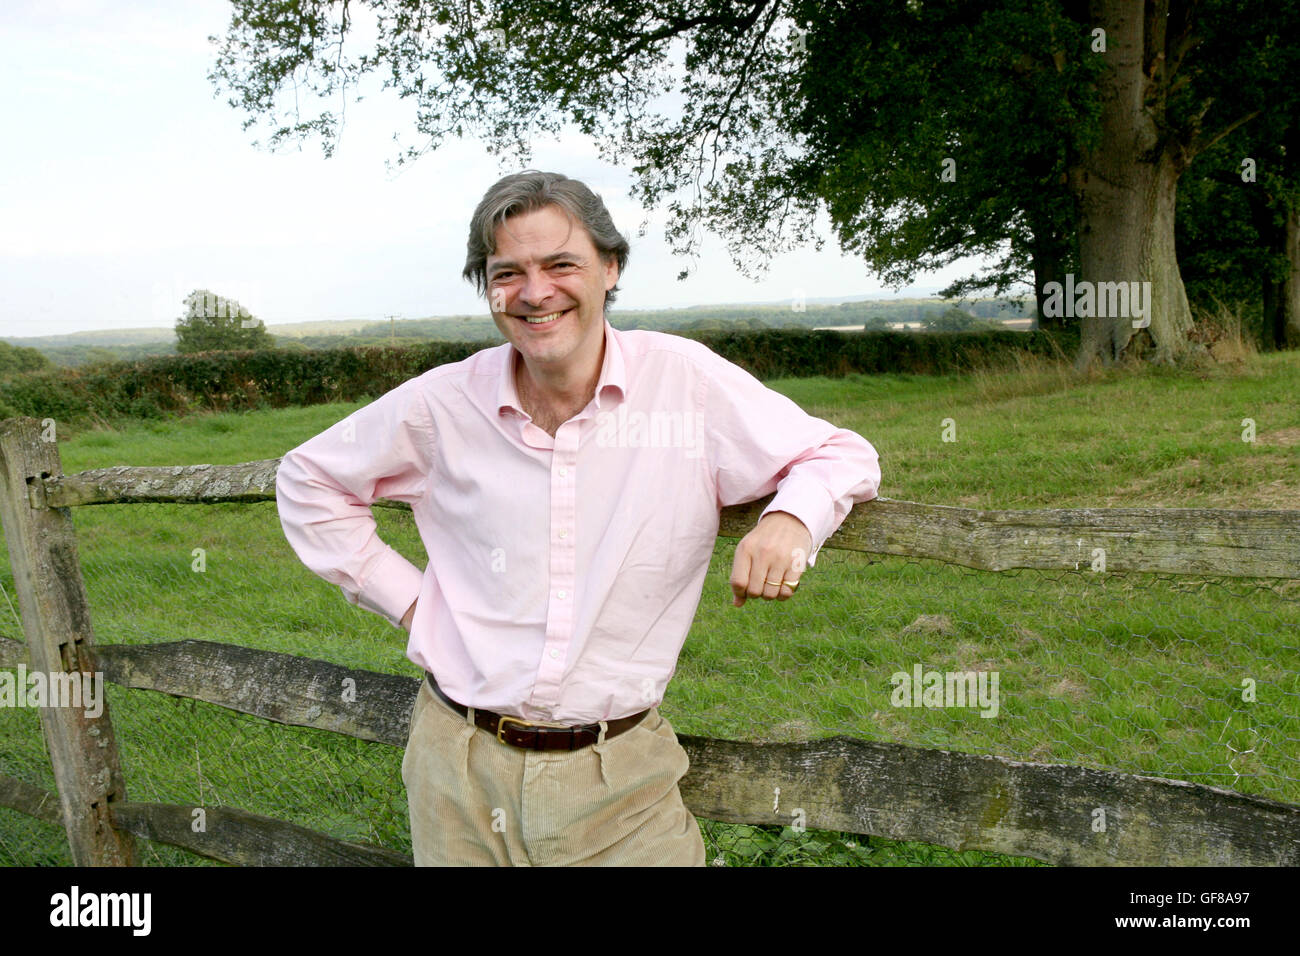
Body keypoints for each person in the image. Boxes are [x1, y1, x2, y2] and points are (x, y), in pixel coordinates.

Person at [274, 170, 881, 866]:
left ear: (610, 267)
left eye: (561, 264)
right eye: (509, 272)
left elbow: (841, 453)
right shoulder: (441, 404)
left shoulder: (684, 383)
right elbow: (308, 476)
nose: (536, 292)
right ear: (488, 286)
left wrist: (791, 521)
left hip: (618, 779)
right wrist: (414, 606)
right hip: (456, 768)